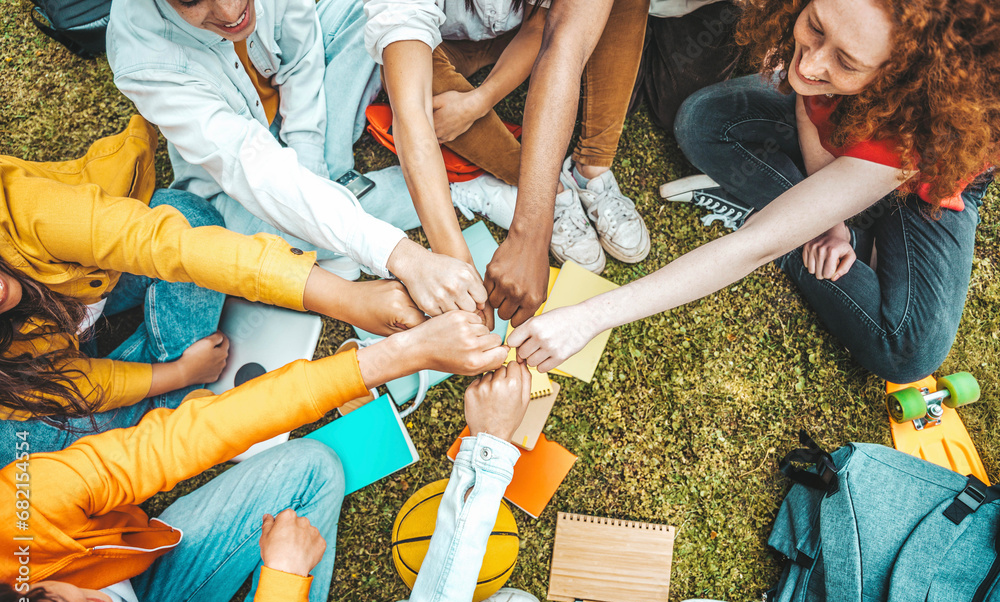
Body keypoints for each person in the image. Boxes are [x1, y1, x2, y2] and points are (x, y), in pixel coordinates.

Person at [0, 312, 542, 602]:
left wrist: (395, 356)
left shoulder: (18, 512)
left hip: (142, 586)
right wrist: (283, 580)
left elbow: (186, 439)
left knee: (313, 468)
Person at [508, 0, 999, 383]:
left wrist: (589, 317)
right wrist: (830, 224)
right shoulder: (826, 59)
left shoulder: (913, 123)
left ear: (896, 78)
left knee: (907, 348)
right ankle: (827, 213)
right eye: (815, 27)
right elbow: (813, 108)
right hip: (853, 143)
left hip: (925, 184)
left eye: (845, 62)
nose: (809, 65)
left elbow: (751, 247)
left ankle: (828, 221)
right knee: (701, 121)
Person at [0, 117, 424, 467]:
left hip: (92, 284)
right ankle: (171, 393)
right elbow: (68, 385)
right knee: (29, 461)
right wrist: (180, 374)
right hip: (32, 382)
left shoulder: (21, 213)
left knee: (189, 218)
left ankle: (165, 401)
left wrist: (349, 300)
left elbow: (175, 247)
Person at [106, 0, 488, 321]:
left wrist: (309, 161)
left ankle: (328, 222)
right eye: (191, 0)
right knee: (236, 236)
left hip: (308, 99)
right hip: (231, 173)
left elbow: (303, 54)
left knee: (373, 13)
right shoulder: (143, 59)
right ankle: (462, 190)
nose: (229, 9)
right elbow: (253, 169)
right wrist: (401, 255)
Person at [364, 0, 650, 297]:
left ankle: (592, 168)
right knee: (401, 76)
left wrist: (478, 102)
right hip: (447, 44)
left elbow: (544, 29)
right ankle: (552, 191)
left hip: (539, 32)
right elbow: (412, 117)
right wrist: (459, 265)